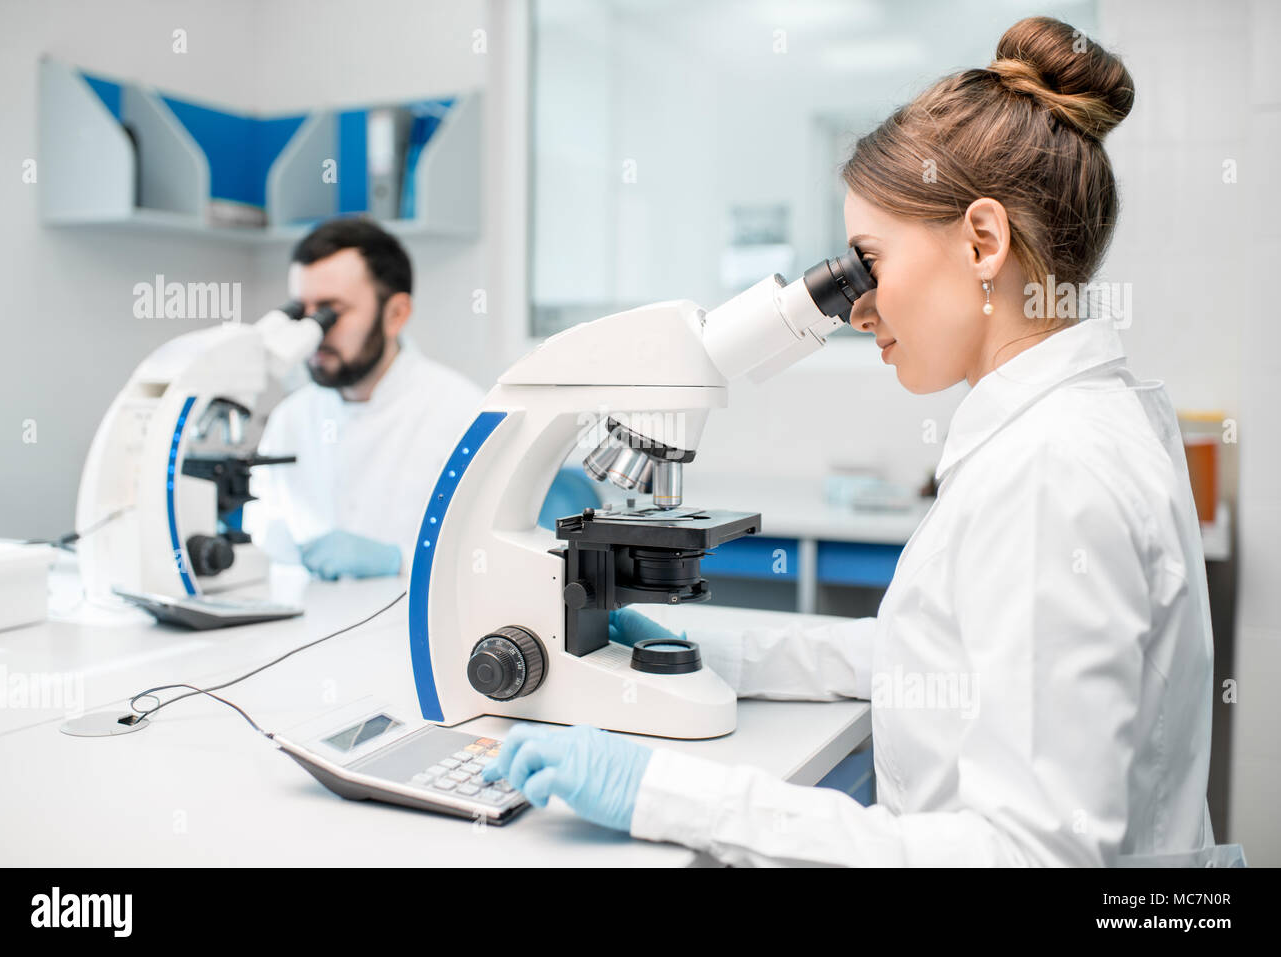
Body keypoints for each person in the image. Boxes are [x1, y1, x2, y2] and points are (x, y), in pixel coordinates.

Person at [482, 17, 1244, 867]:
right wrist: (693, 649)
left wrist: (665, 794)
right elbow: (930, 653)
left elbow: (1031, 855)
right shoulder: (1075, 422)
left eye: (869, 262)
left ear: (984, 241)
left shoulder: (1051, 471)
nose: (856, 306)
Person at [243, 218, 484, 579]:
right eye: (301, 311)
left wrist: (399, 561)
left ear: (396, 314)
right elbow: (263, 531)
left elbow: (488, 562)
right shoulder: (291, 417)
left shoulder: (463, 414)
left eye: (330, 312)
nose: (313, 333)